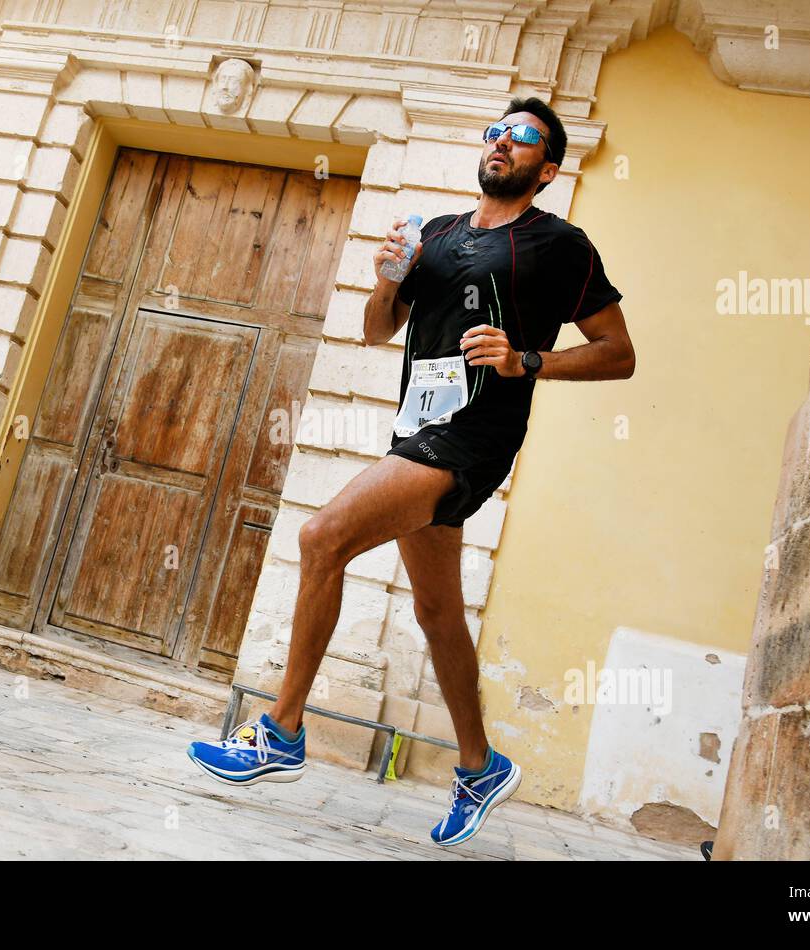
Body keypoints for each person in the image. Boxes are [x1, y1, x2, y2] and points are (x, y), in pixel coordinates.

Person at [188, 96, 635, 848]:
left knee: (323, 536)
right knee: (436, 612)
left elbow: (619, 352)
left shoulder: (561, 244)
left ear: (547, 167)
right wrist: (388, 279)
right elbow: (375, 329)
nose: (503, 142)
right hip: (417, 427)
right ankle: (479, 764)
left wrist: (531, 360)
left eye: (523, 137)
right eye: (495, 131)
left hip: (471, 438)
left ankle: (282, 730)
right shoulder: (436, 234)